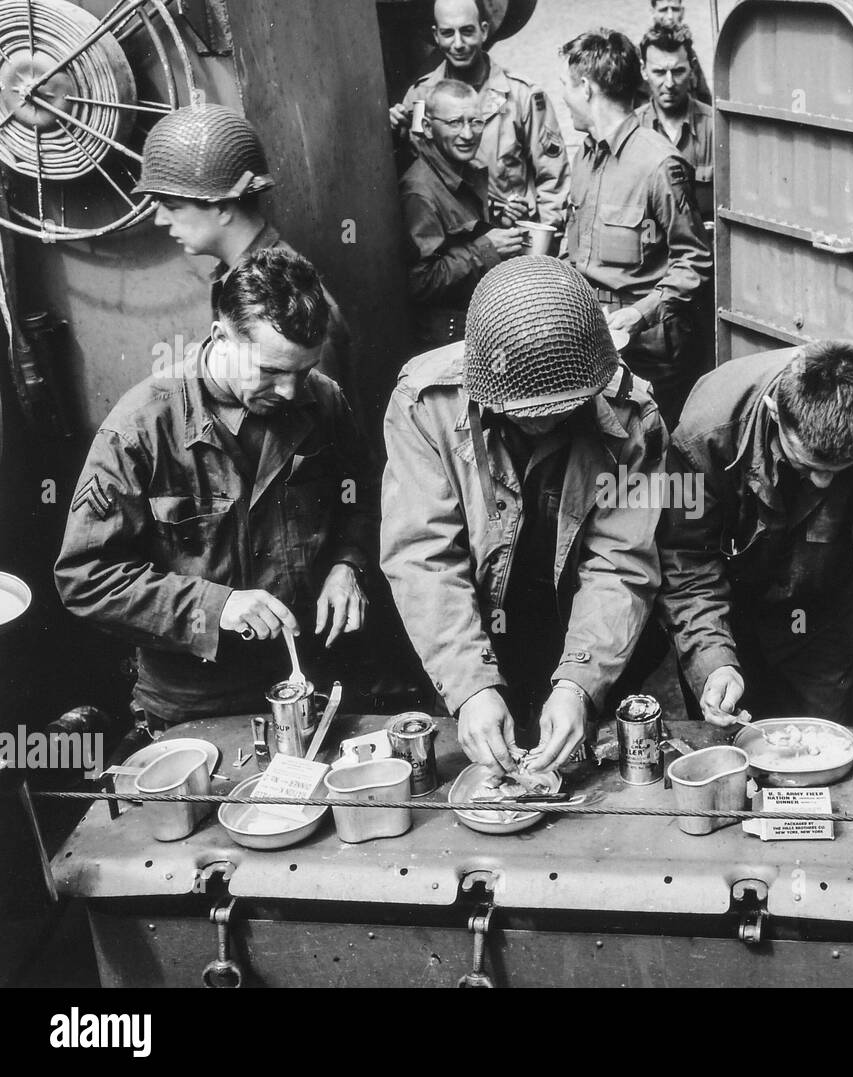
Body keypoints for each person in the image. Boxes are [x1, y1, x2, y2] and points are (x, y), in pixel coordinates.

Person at [54, 250, 378, 727]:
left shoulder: (324, 401)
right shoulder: (141, 427)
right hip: (198, 703)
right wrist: (216, 606)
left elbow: (361, 498)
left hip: (313, 680)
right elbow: (86, 578)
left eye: (302, 370)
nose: (291, 391)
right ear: (221, 337)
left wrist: (348, 564)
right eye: (270, 371)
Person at [381, 257, 667, 775]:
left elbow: (620, 562)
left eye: (565, 408)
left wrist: (581, 681)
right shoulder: (427, 404)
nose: (549, 423)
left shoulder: (631, 415)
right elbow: (423, 555)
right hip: (468, 623)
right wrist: (469, 685)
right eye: (528, 414)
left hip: (581, 626)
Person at [658, 339, 853, 748]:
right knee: (728, 746)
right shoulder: (705, 429)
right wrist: (712, 660)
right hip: (731, 603)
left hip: (826, 607)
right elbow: (686, 561)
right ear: (775, 411)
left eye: (840, 471)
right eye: (810, 467)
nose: (825, 483)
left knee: (827, 745)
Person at [134, 104, 353, 395]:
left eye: (172, 207)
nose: (160, 219)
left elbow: (310, 424)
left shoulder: (287, 305)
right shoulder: (246, 279)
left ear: (223, 207)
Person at [559, 28, 713, 428]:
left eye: (566, 86)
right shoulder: (585, 157)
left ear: (587, 88)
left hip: (650, 357)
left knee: (656, 466)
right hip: (592, 343)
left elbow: (694, 262)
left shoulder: (660, 164)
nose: (564, 97)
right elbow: (573, 250)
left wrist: (640, 314)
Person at [389, 0, 570, 235]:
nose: (458, 44)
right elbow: (415, 178)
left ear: (483, 30)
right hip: (456, 247)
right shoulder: (420, 97)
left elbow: (554, 180)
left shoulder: (522, 96)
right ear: (436, 35)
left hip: (514, 240)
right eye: (447, 33)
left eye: (467, 31)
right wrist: (398, 137)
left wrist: (540, 245)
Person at [401, 78, 525, 348]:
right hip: (446, 340)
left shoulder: (462, 168)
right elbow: (421, 282)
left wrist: (497, 223)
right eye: (455, 122)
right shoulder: (420, 190)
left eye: (475, 121)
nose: (468, 134)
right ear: (427, 127)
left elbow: (460, 235)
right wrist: (488, 247)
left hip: (474, 328)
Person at [636, 25, 714, 220]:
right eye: (660, 72)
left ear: (692, 68)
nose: (669, 84)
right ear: (644, 71)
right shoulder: (631, 130)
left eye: (678, 71)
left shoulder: (718, 128)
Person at [645, 0, 712, 105]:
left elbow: (704, 97)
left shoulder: (688, 53)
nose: (670, 16)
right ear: (653, 12)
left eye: (675, 9)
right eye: (663, 10)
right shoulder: (644, 56)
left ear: (682, 12)